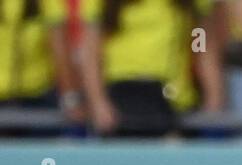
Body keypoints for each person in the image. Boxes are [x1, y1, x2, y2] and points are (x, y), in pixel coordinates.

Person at [81, 0, 225, 136]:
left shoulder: (192, 5)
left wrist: (213, 96)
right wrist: (98, 102)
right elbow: (90, 53)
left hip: (172, 100)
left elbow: (202, 47)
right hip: (121, 96)